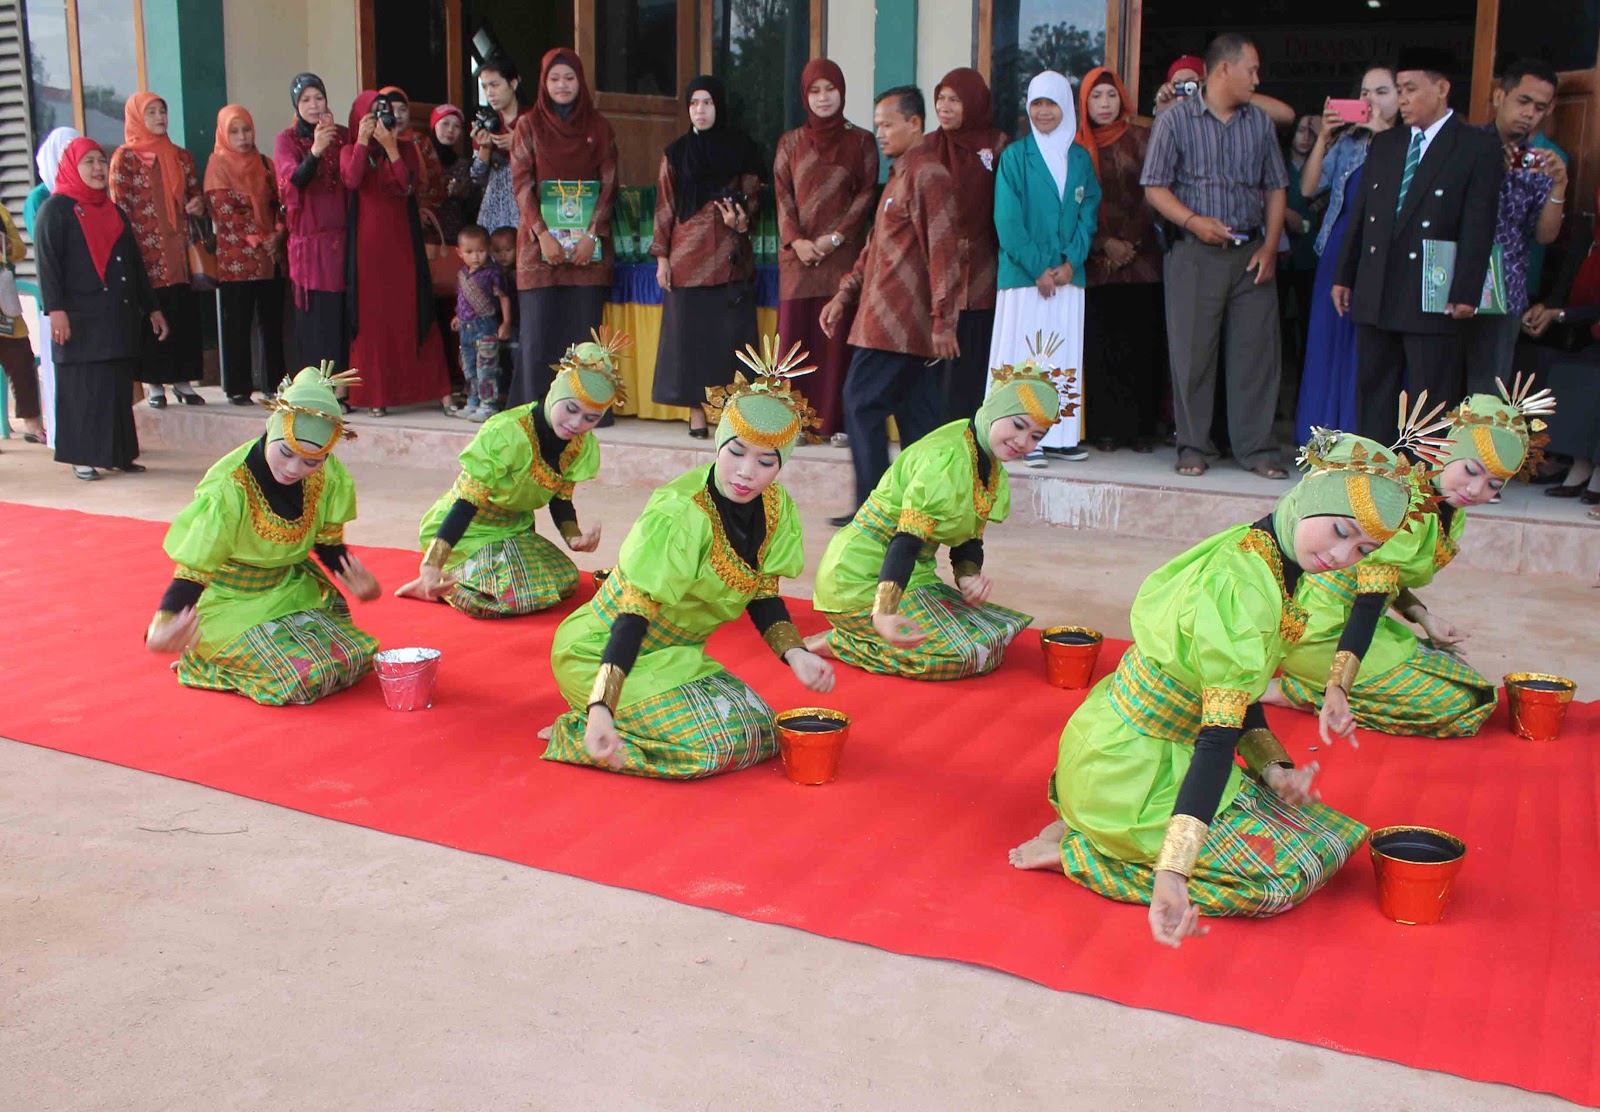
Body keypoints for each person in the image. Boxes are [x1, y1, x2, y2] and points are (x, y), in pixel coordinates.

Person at [1009, 423, 1437, 947]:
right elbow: (1216, 738)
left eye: (1364, 549)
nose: (1343, 555)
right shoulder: (1244, 584)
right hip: (1127, 769)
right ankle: (1082, 854)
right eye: (1341, 531)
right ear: (1308, 497)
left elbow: (1237, 691)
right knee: (1283, 879)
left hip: (1159, 750)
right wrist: (1174, 872)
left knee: (1328, 839)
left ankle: (1096, 832)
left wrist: (1274, 769)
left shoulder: (1270, 552)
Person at [540, 341, 835, 778]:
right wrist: (603, 706)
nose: (746, 472)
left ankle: (623, 722)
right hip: (600, 651)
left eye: (765, 461)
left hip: (677, 656)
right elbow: (633, 615)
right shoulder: (680, 513)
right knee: (713, 748)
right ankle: (584, 724)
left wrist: (796, 654)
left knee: (759, 733)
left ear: (781, 464)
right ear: (719, 443)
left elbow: (763, 594)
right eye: (736, 452)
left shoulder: (777, 507)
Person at [1270, 381, 1553, 737]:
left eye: (1494, 484)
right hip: (1319, 627)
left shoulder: (1448, 509)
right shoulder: (1406, 506)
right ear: (1446, 451)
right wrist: (1338, 686)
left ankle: (1311, 682)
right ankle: (1297, 692)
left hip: (1351, 619)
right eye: (1471, 470)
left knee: (1464, 679)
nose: (1475, 489)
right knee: (1459, 703)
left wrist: (1424, 617)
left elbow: (1385, 579)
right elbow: (1368, 605)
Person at [808, 346, 1068, 678]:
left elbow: (968, 539)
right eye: (1017, 425)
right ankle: (844, 641)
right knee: (961, 656)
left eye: (1035, 436)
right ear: (993, 408)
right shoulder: (946, 459)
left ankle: (865, 634)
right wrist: (884, 613)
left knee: (994, 637)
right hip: (858, 578)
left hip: (914, 576)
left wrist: (967, 575)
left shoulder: (986, 460)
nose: (1022, 441)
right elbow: (905, 542)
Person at [144, 363, 381, 705]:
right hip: (230, 600)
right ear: (271, 427)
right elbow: (193, 572)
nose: (293, 469)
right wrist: (162, 624)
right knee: (301, 677)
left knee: (356, 658)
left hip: (289, 588)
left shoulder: (327, 475)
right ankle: (203, 663)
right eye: (285, 452)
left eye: (311, 462)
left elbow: (327, 544)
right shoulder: (229, 489)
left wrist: (356, 578)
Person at [1333, 47, 1504, 442]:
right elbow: (1362, 213)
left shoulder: (1475, 146)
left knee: (1432, 395)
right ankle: (1376, 471)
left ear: (1442, 88)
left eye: (1410, 89)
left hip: (1432, 290)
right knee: (1375, 391)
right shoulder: (1387, 143)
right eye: (1399, 90)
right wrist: (1345, 273)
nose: (1402, 99)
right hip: (1377, 283)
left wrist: (1466, 290)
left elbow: (1479, 224)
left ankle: (1425, 477)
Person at [1142, 34, 1290, 481]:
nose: (1257, 79)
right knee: (1192, 356)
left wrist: (1270, 247)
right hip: (1194, 253)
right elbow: (1154, 188)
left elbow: (1276, 188)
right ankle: (1193, 445)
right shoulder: (1175, 120)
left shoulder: (1258, 122)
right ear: (1224, 69)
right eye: (1252, 69)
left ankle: (1257, 448)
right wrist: (1192, 221)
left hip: (1251, 253)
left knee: (1256, 355)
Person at [398, 331, 624, 617]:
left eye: (590, 418)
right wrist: (432, 564)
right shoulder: (507, 432)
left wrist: (573, 536)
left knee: (565, 579)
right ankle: (438, 587)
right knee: (515, 597)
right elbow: (466, 504)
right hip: (470, 530)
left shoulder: (581, 444)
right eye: (571, 409)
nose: (576, 423)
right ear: (555, 392)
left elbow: (561, 498)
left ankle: (470, 579)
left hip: (515, 529)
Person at [820, 86, 960, 524]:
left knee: (861, 403)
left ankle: (874, 510)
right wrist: (844, 294)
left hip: (900, 326)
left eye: (887, 124)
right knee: (919, 422)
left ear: (914, 124)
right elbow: (873, 249)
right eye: (877, 125)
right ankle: (924, 510)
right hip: (884, 319)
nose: (879, 133)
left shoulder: (929, 175)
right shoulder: (900, 175)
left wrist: (944, 320)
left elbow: (944, 250)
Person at [36, 138, 169, 481]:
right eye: (89, 162)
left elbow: (134, 264)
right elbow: (47, 265)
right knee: (84, 387)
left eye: (101, 161)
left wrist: (151, 308)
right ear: (72, 167)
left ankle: (119, 454)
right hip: (78, 318)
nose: (98, 168)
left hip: (115, 314)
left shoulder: (113, 210)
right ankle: (83, 456)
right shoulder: (55, 210)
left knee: (116, 387)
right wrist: (55, 310)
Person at [987, 71, 1099, 467]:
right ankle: (1020, 440)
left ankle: (1060, 437)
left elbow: (1088, 215)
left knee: (1062, 356)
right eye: (1036, 103)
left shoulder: (1080, 158)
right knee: (1024, 357)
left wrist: (1070, 264)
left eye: (1051, 103)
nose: (1043, 111)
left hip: (1067, 279)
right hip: (1024, 278)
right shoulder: (1015, 157)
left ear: (1066, 106)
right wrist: (1039, 268)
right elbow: (1007, 220)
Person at [772, 58, 879, 440]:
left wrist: (836, 237)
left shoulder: (862, 141)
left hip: (842, 258)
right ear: (805, 96)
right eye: (815, 91)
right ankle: (793, 424)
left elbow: (866, 195)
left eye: (829, 89)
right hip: (798, 261)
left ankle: (838, 424)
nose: (823, 98)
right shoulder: (789, 143)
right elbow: (782, 195)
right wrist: (797, 241)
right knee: (796, 339)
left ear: (842, 92)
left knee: (838, 342)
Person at [649, 75, 762, 436]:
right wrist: (662, 258)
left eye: (708, 103)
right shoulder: (676, 153)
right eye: (694, 103)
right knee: (690, 342)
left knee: (730, 341)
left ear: (719, 106)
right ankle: (696, 414)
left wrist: (741, 220)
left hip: (730, 260)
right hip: (686, 261)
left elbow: (752, 199)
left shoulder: (741, 149)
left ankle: (735, 417)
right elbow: (664, 207)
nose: (700, 110)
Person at [508, 48, 619, 407]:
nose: (562, 85)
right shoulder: (528, 126)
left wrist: (591, 235)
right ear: (544, 83)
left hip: (588, 250)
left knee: (582, 335)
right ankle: (535, 409)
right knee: (538, 335)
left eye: (569, 78)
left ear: (580, 81)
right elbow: (521, 184)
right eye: (554, 79)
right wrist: (542, 235)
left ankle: (584, 408)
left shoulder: (599, 127)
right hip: (538, 248)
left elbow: (609, 184)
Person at [1295, 66, 1400, 443]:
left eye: (1382, 91)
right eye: (1365, 92)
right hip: (1338, 249)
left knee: (1366, 348)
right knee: (1327, 342)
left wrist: (1382, 134)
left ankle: (1360, 440)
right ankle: (1321, 439)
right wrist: (1324, 136)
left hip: (1382, 257)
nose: (1371, 99)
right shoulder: (1349, 142)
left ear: (1401, 97)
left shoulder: (1408, 143)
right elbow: (1308, 188)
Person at [341, 90, 451, 416]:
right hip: (367, 249)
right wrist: (363, 141)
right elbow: (351, 179)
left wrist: (391, 147)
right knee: (373, 319)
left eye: (384, 111)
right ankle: (377, 395)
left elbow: (405, 185)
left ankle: (437, 391)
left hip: (402, 244)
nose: (380, 118)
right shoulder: (350, 149)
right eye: (373, 112)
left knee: (412, 310)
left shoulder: (405, 147)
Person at [1463, 59, 1567, 396]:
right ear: (1499, 97)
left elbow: (1545, 235)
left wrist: (1559, 185)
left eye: (1540, 107)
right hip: (1451, 280)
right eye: (1523, 101)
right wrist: (1491, 168)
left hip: (1504, 290)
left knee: (1486, 397)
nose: (1530, 113)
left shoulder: (1539, 162)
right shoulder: (1465, 144)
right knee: (1435, 389)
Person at [1078, 67, 1164, 454]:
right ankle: (1106, 429)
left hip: (1142, 259)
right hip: (1096, 263)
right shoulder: (1076, 147)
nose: (1104, 104)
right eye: (1096, 97)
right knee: (1102, 346)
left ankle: (1142, 429)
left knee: (1142, 345)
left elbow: (1153, 191)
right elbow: (1073, 205)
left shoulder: (1143, 138)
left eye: (1111, 95)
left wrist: (1129, 242)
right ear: (1084, 103)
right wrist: (1103, 244)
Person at [110, 92, 206, 408]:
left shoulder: (181, 156)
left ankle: (182, 381)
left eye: (162, 111)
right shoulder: (125, 158)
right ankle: (154, 385)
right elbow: (119, 208)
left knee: (182, 311)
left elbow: (196, 196)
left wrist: (197, 205)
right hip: (146, 254)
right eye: (150, 112)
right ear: (137, 117)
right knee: (152, 315)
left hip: (180, 251)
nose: (159, 118)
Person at [927, 67, 1008, 424]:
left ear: (973, 103)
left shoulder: (998, 145)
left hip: (982, 269)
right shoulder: (926, 148)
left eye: (955, 100)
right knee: (933, 367)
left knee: (973, 358)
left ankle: (971, 435)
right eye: (941, 99)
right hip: (934, 269)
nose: (945, 107)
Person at [206, 105, 286, 406]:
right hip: (237, 258)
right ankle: (238, 387)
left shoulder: (265, 164)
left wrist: (278, 232)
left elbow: (281, 202)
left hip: (269, 257)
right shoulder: (218, 164)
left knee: (271, 322)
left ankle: (274, 384)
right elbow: (224, 210)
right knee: (237, 323)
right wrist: (261, 238)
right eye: (234, 131)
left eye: (247, 129)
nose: (242, 137)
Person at [1526, 195, 1600, 515]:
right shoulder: (1588, 233)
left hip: (1586, 324)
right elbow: (1565, 281)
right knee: (1561, 366)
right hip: (1583, 329)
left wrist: (1562, 315)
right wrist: (1550, 309)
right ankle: (1576, 460)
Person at [275, 73, 351, 376]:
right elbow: (291, 182)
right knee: (316, 316)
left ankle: (342, 386)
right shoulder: (287, 139)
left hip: (343, 242)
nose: (314, 105)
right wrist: (316, 150)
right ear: (296, 105)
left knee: (342, 314)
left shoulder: (342, 135)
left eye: (319, 97)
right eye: (305, 99)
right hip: (311, 248)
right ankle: (315, 386)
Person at [23, 126, 83, 449]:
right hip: (57, 296)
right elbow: (46, 248)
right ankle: (64, 438)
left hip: (86, 299)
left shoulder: (87, 196)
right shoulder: (41, 198)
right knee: (59, 371)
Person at [445, 224, 512, 421]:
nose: (475, 256)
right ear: (459, 252)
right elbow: (462, 298)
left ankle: (488, 405)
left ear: (489, 249)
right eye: (469, 252)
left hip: (485, 326)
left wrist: (506, 322)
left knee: (486, 368)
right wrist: (458, 315)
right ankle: (473, 401)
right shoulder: (461, 273)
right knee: (469, 367)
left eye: (481, 251)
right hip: (466, 328)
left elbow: (504, 298)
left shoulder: (492, 274)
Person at [1154, 53, 1296, 128]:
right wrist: (1162, 111)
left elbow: (1286, 115)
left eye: (1191, 85)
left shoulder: (1228, 113)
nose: (1186, 92)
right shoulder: (1169, 119)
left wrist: (1219, 96)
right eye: (1178, 86)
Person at [0, 200, 43, 442]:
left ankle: (32, 424)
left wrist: (7, 244)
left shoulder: (1, 211)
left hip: (4, 305)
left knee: (22, 360)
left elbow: (20, 250)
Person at [471, 55, 524, 234]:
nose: (489, 93)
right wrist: (485, 149)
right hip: (494, 212)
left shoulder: (533, 120)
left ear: (513, 84)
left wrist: (520, 145)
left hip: (527, 208)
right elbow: (477, 178)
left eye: (495, 85)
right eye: (485, 87)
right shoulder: (487, 123)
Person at [379, 88, 446, 217]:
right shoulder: (374, 143)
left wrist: (425, 211)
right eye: (391, 109)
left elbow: (436, 182)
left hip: (419, 216)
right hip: (385, 215)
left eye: (403, 109)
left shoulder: (421, 141)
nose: (397, 115)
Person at [428, 104, 478, 245]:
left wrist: (461, 191)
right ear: (434, 126)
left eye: (457, 126)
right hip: (426, 233)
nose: (450, 130)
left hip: (454, 238)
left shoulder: (464, 165)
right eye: (445, 123)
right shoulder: (422, 158)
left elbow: (472, 203)